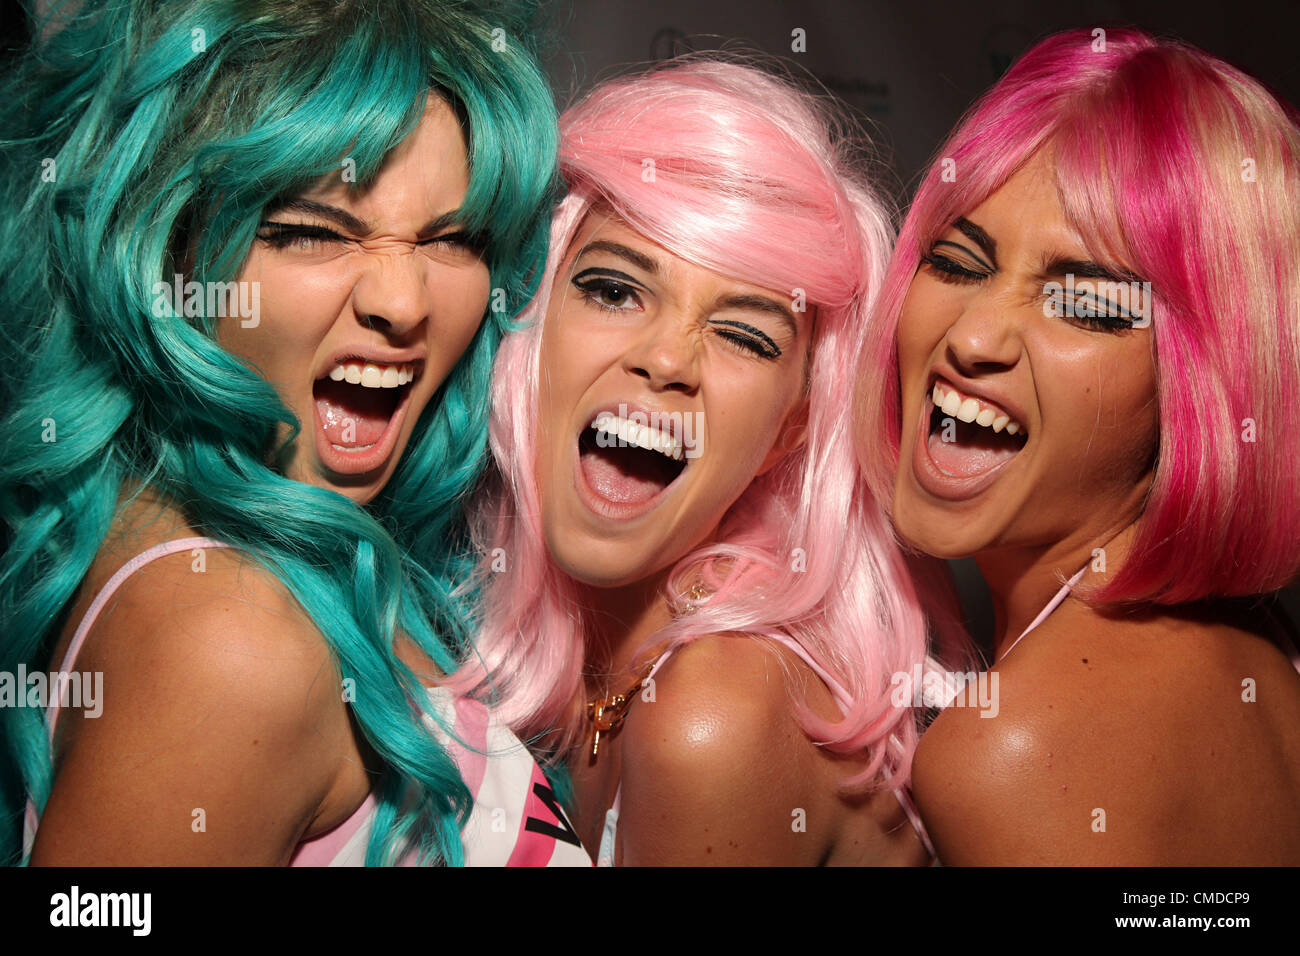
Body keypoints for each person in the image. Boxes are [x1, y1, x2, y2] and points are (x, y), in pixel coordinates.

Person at [0, 0, 590, 866]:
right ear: (172, 252)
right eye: (314, 232)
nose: (403, 303)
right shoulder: (232, 643)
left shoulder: (270, 559)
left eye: (452, 238)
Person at [451, 57, 964, 865]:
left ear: (793, 424)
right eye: (616, 290)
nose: (667, 358)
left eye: (745, 334)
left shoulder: (720, 710)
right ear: (535, 326)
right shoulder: (540, 648)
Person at [855, 27, 1300, 864]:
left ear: (1202, 382)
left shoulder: (1013, 752)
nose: (976, 335)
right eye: (956, 261)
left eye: (1086, 305)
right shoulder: (1257, 643)